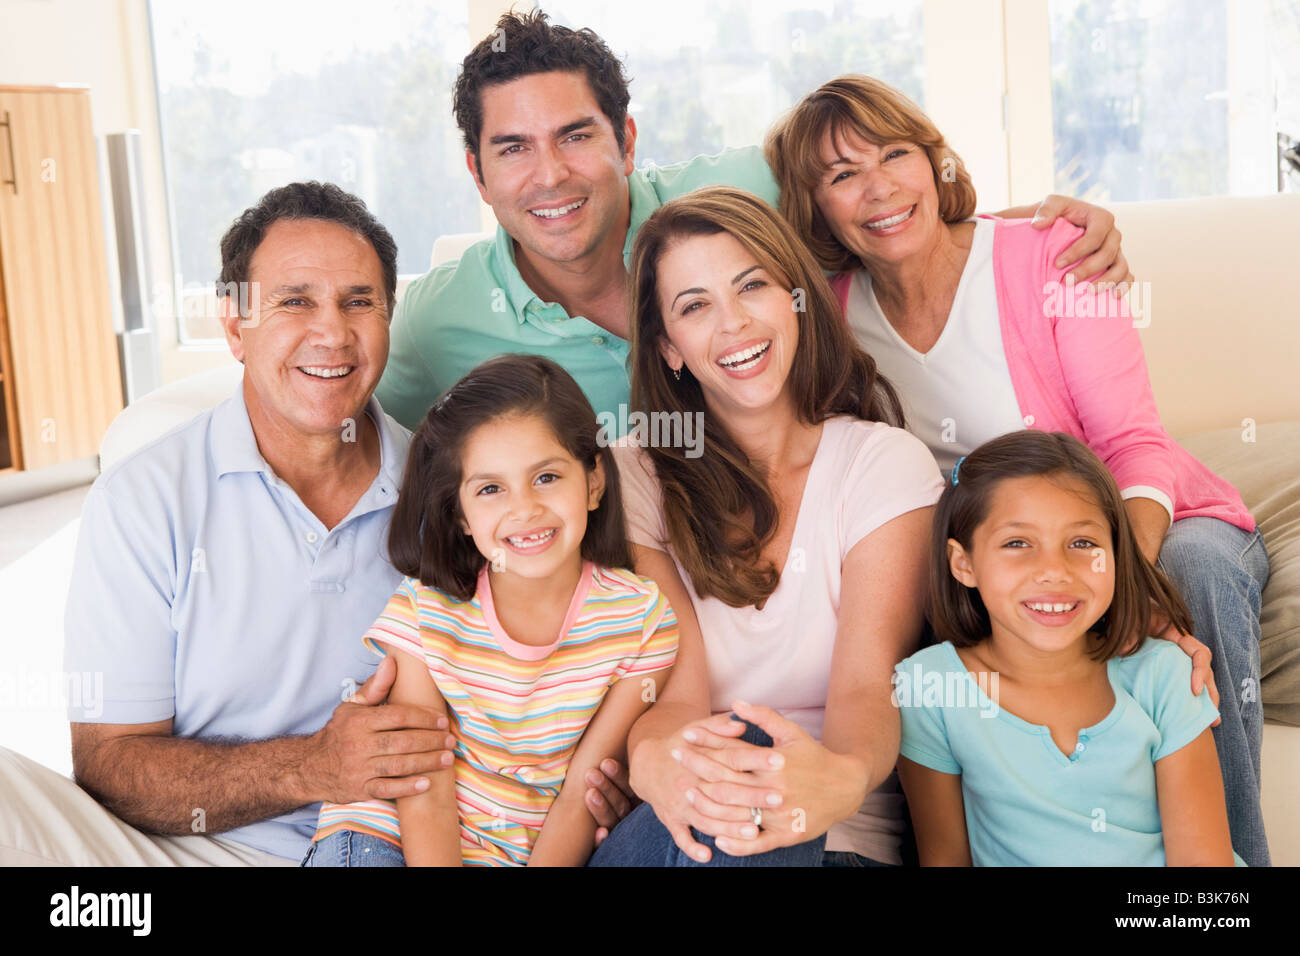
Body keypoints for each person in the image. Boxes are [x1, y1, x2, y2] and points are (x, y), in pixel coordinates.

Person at [0, 183, 628, 866]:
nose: (332, 332)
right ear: (235, 327)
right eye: (295, 301)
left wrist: (595, 773)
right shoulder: (144, 499)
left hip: (421, 841)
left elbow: (554, 675)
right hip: (195, 848)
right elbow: (109, 764)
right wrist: (312, 768)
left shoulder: (463, 493)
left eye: (359, 302)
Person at [765, 74, 1270, 865]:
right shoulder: (824, 313)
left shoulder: (1057, 255)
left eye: (895, 154)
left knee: (1195, 571)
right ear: (815, 206)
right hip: (989, 549)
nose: (879, 187)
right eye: (841, 174)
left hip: (1146, 514)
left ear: (936, 165)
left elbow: (1136, 443)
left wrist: (1123, 581)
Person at [376, 9, 1131, 433]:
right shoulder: (434, 323)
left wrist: (1037, 231)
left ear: (626, 141)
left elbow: (882, 198)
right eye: (513, 149)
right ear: (476, 172)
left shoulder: (743, 191)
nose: (550, 176)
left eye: (576, 136)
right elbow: (360, 446)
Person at [586, 186, 943, 866]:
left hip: (836, 839)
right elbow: (676, 691)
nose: (735, 323)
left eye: (752, 286)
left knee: (762, 780)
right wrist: (653, 759)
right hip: (684, 830)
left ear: (796, 299)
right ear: (669, 349)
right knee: (741, 763)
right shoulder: (633, 474)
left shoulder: (881, 464)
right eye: (696, 306)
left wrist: (834, 779)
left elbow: (868, 687)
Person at [304, 355, 677, 866]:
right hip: (389, 834)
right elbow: (424, 781)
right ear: (460, 514)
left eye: (546, 477)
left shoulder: (641, 619)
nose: (524, 509)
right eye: (490, 489)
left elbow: (580, 796)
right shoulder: (424, 614)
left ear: (593, 482)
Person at [896, 430, 1242, 866]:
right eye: (1017, 543)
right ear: (963, 564)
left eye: (1082, 543)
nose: (1054, 571)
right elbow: (945, 857)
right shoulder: (931, 688)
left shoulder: (1165, 676)